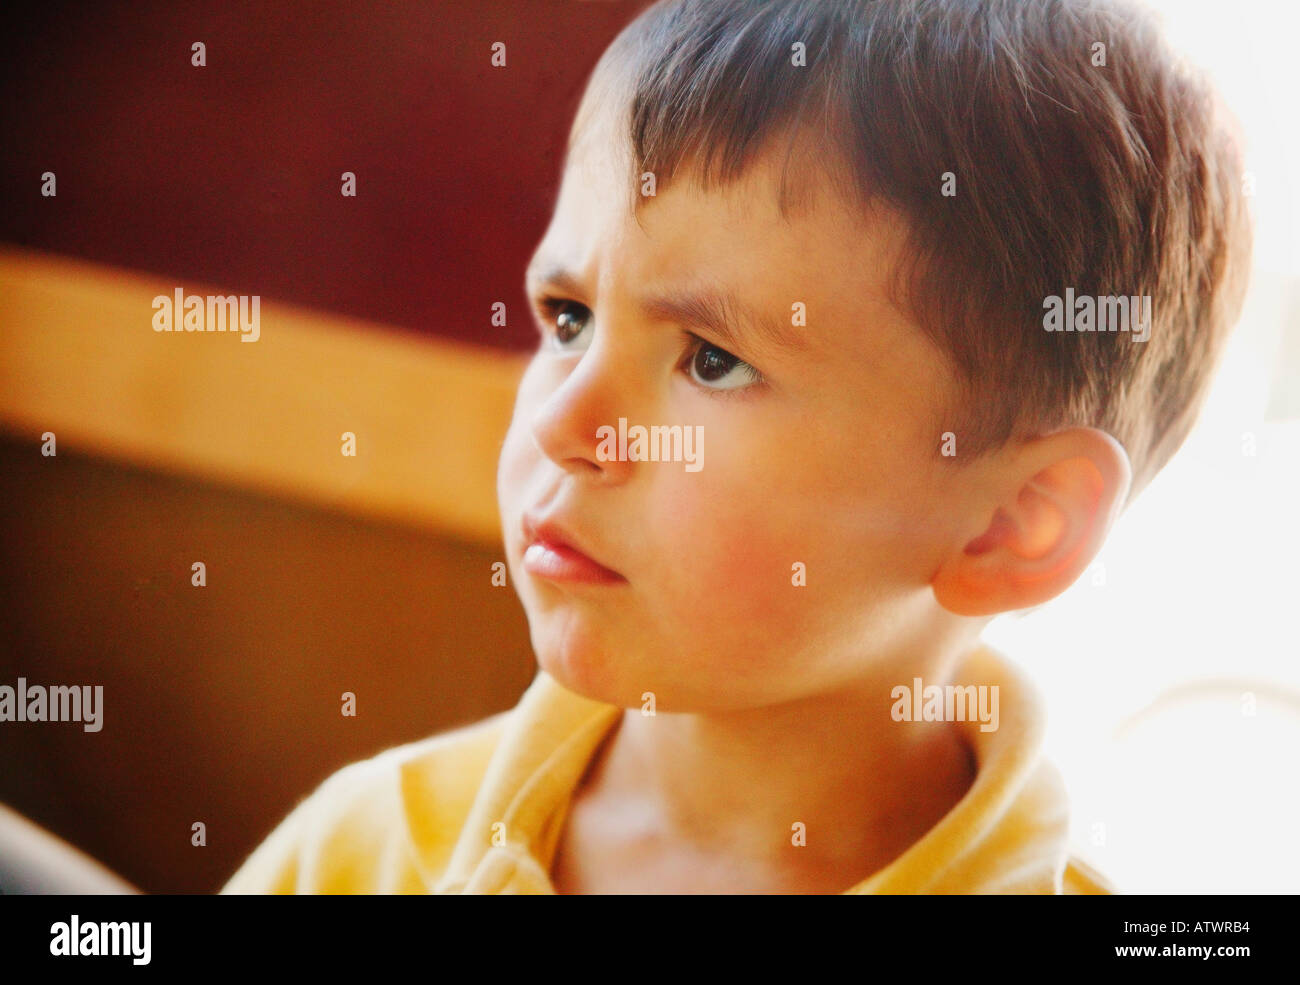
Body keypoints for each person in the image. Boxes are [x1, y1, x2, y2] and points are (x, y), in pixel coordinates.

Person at [222, 0, 1253, 894]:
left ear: (1011, 524)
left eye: (711, 359)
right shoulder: (365, 850)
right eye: (568, 316)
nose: (562, 425)